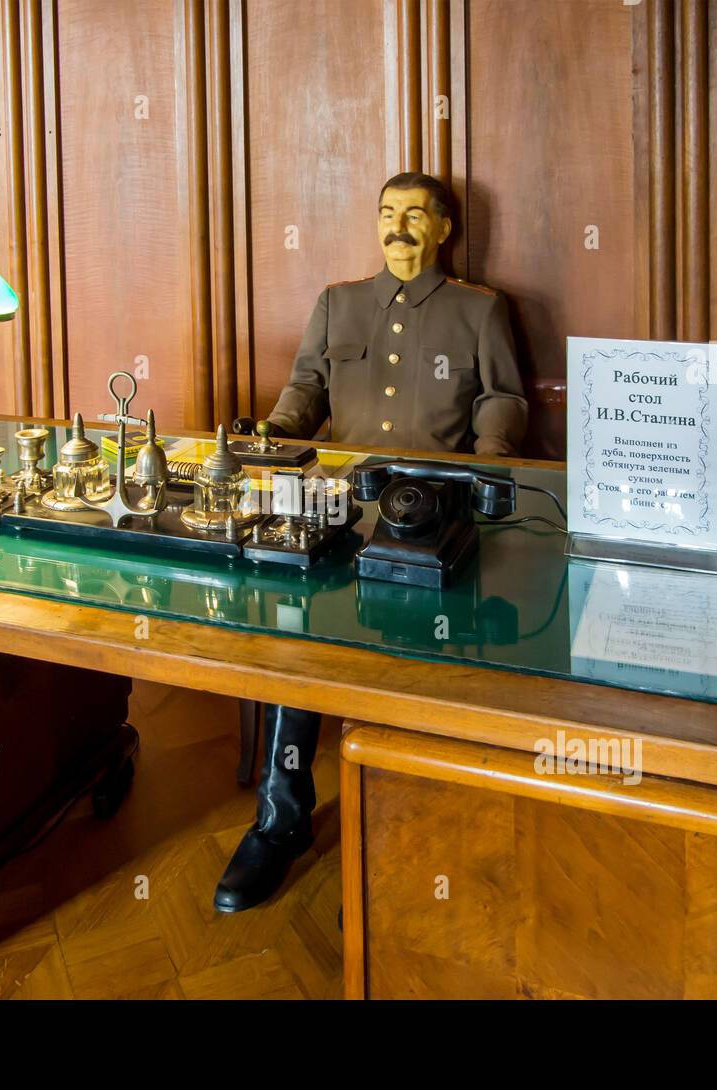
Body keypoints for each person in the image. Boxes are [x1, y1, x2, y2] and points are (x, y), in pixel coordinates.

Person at [213, 171, 528, 913]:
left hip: (436, 515)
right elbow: (305, 387)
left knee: (438, 653)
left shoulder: (478, 311)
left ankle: (432, 823)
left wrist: (487, 467)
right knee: (293, 641)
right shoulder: (338, 302)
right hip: (337, 506)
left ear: (444, 228)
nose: (399, 227)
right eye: (388, 213)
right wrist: (278, 432)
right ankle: (280, 821)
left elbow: (503, 398)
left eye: (416, 215)